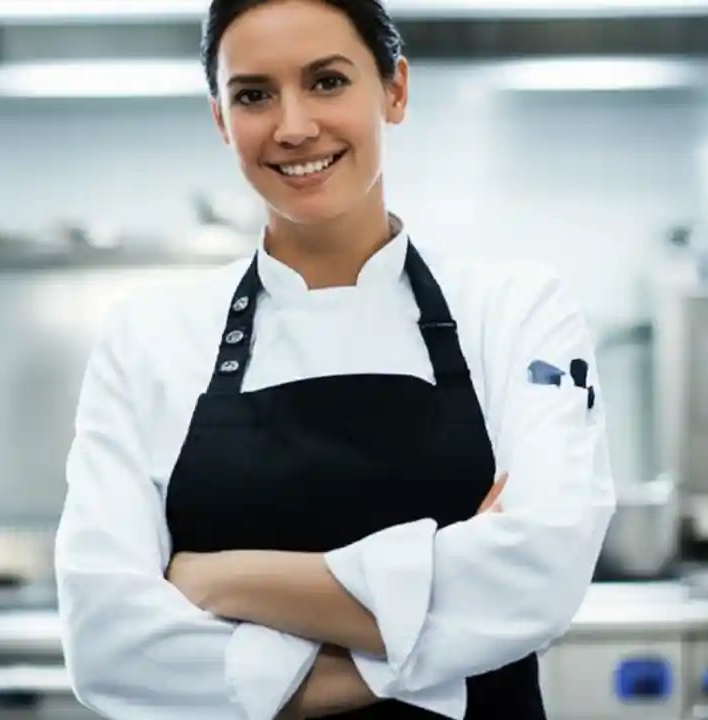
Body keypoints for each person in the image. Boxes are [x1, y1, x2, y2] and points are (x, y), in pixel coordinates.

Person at [54, 0, 616, 717]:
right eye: (254, 94)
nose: (293, 127)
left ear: (395, 90)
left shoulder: (515, 309)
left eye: (326, 81)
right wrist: (415, 660)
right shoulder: (147, 337)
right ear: (222, 120)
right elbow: (109, 643)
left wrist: (225, 579)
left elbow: (538, 574)